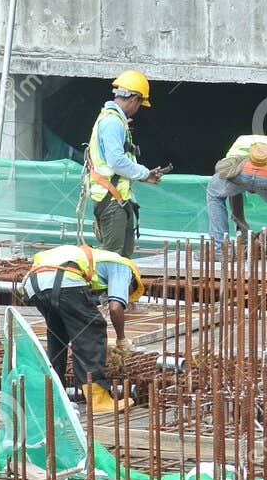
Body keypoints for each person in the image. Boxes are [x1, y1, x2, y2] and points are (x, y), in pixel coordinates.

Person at [20, 244, 145, 414]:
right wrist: (121, 339)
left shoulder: (98, 260)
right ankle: (98, 399)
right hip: (63, 279)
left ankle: (54, 395)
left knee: (58, 335)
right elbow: (116, 308)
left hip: (33, 284)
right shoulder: (123, 267)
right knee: (92, 330)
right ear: (131, 282)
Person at [85, 70, 163, 256]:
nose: (138, 108)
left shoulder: (115, 120)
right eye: (140, 104)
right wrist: (144, 173)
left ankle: (119, 285)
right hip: (111, 200)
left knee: (123, 258)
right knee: (111, 259)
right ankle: (107, 286)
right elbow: (116, 161)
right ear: (134, 99)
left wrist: (143, 176)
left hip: (119, 199)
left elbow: (119, 164)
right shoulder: (113, 122)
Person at [207, 135, 267, 245]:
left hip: (241, 173)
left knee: (215, 195)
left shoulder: (240, 143)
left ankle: (219, 248)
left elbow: (224, 170)